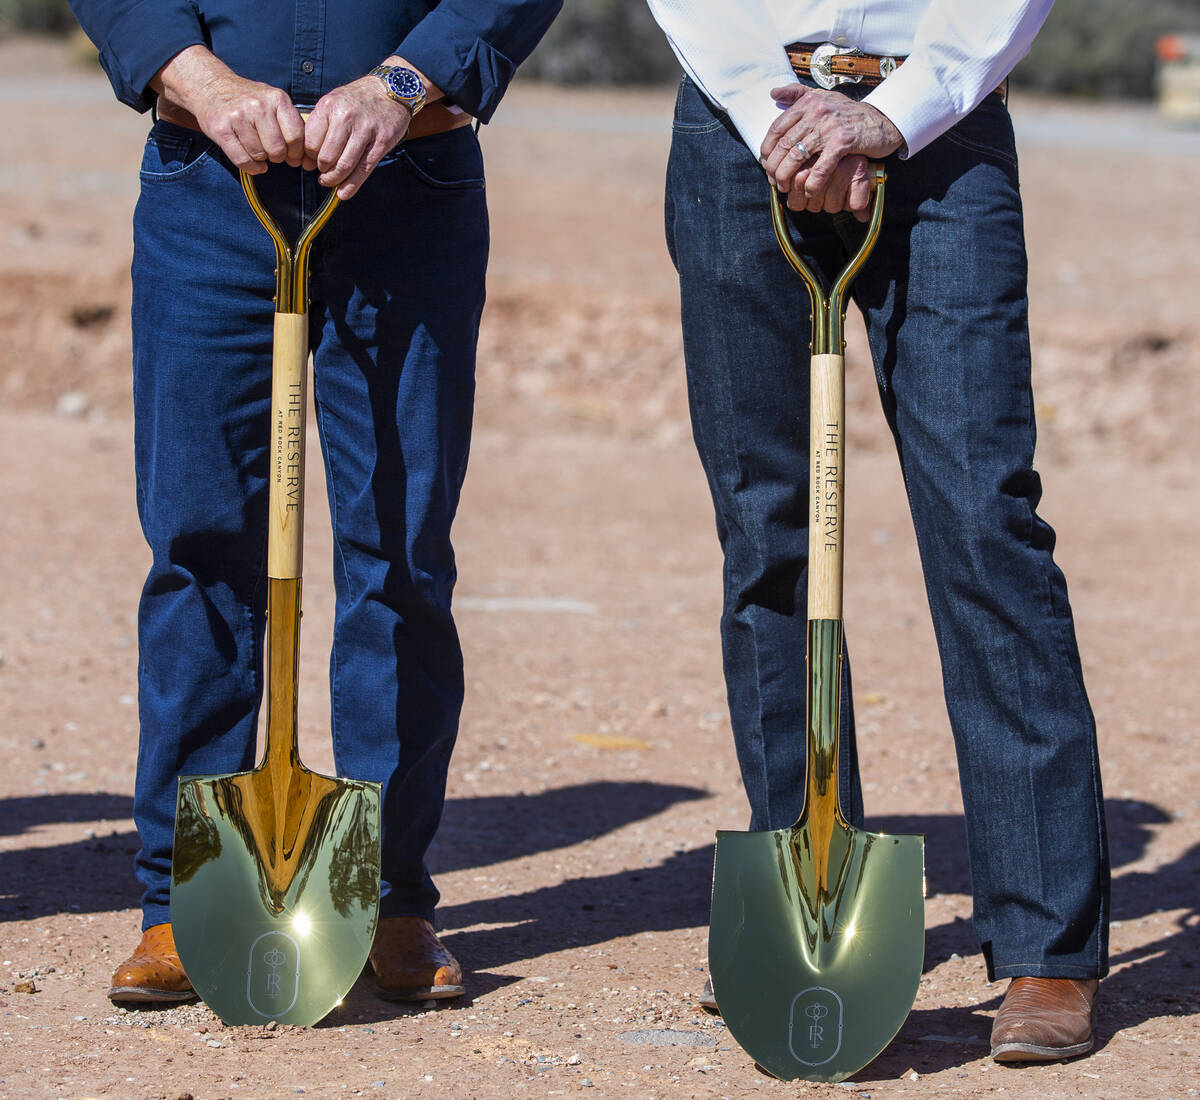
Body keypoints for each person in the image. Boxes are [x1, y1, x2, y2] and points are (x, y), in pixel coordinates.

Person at [67, 0, 561, 1006]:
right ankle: (182, 892)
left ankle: (384, 893)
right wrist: (194, 74)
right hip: (208, 181)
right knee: (199, 545)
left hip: (408, 181)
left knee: (401, 550)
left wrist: (402, 83)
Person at [644, 0, 1110, 1064]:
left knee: (984, 520)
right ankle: (805, 906)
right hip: (740, 125)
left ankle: (1048, 946)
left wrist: (893, 115)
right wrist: (778, 114)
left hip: (942, 132)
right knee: (769, 536)